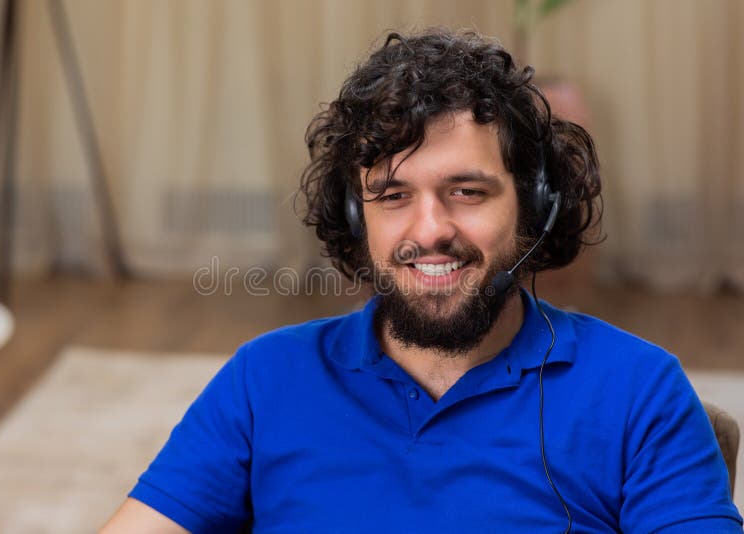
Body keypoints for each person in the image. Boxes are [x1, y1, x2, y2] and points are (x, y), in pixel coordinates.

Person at [101, 29, 742, 533]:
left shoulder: (638, 390)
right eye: (392, 195)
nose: (429, 229)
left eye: (467, 190)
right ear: (357, 218)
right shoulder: (263, 379)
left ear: (533, 206)